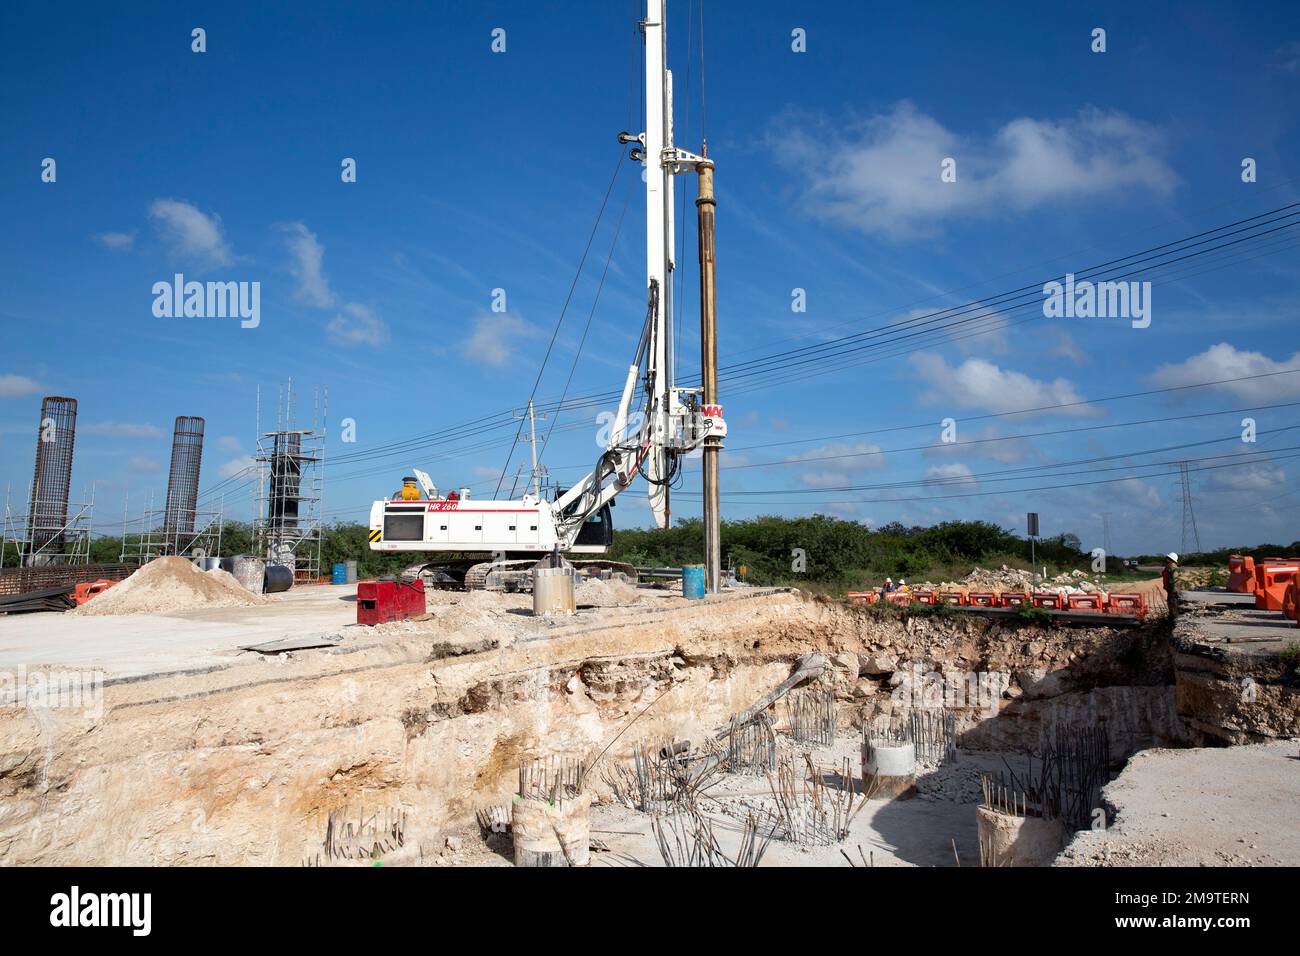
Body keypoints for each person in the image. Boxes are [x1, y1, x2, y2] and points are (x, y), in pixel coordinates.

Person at [1163, 552, 1179, 617]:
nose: (1166, 559)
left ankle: (1173, 621)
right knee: (1171, 606)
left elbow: (1175, 580)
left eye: (1167, 558)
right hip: (1170, 591)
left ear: (1171, 559)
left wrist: (1172, 589)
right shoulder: (1169, 567)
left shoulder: (1173, 568)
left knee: (1173, 607)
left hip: (1173, 592)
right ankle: (1172, 619)